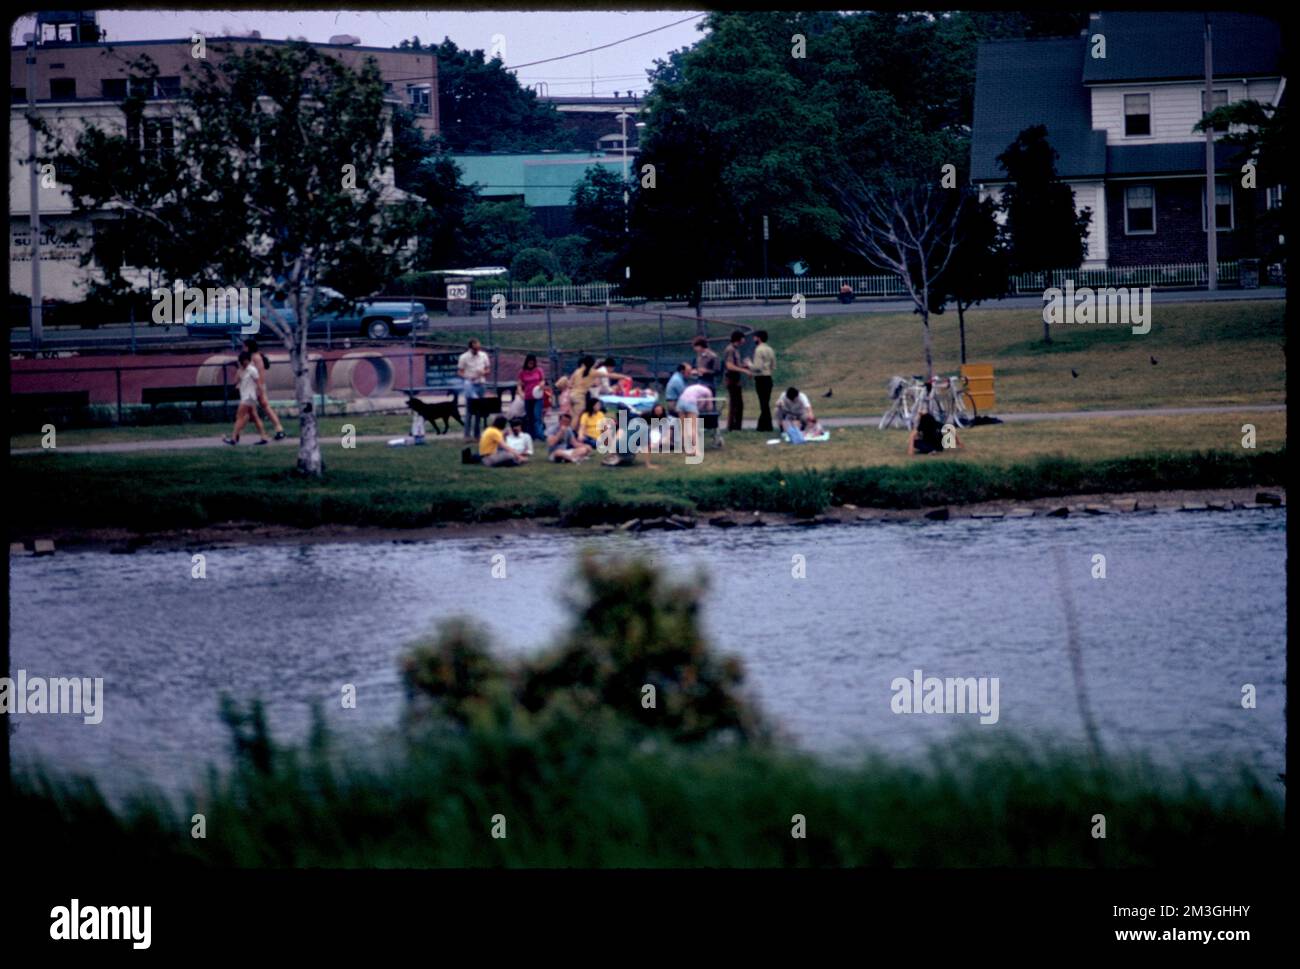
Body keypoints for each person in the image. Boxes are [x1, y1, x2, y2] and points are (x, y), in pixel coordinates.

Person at [223, 351, 269, 446]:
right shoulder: (243, 370)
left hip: (249, 397)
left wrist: (260, 394)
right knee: (255, 417)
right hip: (245, 395)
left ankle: (234, 438)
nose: (241, 363)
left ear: (246, 361)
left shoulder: (252, 370)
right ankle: (263, 436)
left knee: (239, 416)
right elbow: (236, 381)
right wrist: (239, 370)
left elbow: (258, 383)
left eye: (242, 361)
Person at [243, 338, 286, 440]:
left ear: (249, 347)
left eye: (244, 346)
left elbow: (260, 374)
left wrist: (259, 388)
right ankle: (275, 431)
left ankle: (277, 430)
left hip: (258, 387)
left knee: (261, 409)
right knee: (252, 411)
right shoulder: (252, 357)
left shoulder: (256, 358)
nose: (243, 348)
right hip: (253, 387)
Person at [457, 338, 492, 440]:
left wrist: (484, 373)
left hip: (480, 384)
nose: (477, 350)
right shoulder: (463, 357)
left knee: (479, 411)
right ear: (470, 348)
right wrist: (468, 377)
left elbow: (488, 369)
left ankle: (477, 435)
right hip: (470, 385)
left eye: (478, 348)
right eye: (475, 349)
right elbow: (459, 372)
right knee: (469, 410)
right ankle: (467, 435)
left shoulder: (483, 355)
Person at [723, 329, 751, 431]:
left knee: (738, 403)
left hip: (736, 379)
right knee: (735, 403)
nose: (744, 340)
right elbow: (729, 366)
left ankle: (737, 426)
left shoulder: (736, 349)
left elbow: (735, 365)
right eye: (743, 338)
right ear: (739, 339)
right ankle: (732, 427)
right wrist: (744, 370)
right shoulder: (730, 349)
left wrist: (744, 365)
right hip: (731, 379)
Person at [749, 330, 776, 432]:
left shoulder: (758, 350)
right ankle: (764, 425)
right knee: (765, 403)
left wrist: (749, 364)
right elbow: (773, 365)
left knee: (763, 404)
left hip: (760, 379)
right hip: (768, 378)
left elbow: (757, 367)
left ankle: (766, 426)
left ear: (758, 338)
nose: (753, 339)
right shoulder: (770, 349)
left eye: (755, 337)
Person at [675, 380, 713, 452]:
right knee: (693, 428)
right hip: (690, 403)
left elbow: (699, 403)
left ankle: (685, 447)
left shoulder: (692, 388)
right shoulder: (708, 391)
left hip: (680, 403)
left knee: (683, 428)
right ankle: (695, 449)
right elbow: (709, 407)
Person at [517, 353, 546, 439]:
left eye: (532, 363)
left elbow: (543, 380)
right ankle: (531, 435)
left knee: (537, 416)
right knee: (529, 417)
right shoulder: (522, 372)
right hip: (528, 397)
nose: (531, 365)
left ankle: (540, 435)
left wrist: (541, 384)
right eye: (529, 363)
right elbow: (519, 384)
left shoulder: (539, 370)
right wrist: (521, 393)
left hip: (537, 397)